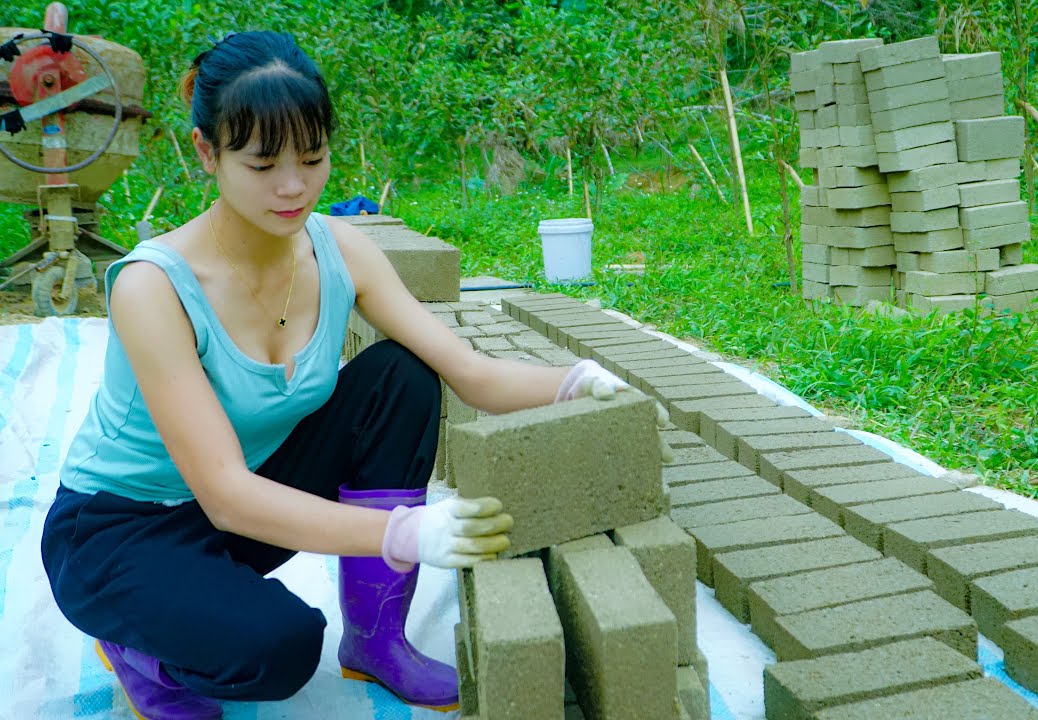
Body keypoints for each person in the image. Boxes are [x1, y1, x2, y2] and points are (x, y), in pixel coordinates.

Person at [40, 31, 657, 720]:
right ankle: (144, 653)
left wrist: (576, 382)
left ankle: (376, 640)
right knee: (279, 648)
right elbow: (225, 496)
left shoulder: (340, 251)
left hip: (243, 500)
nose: (294, 186)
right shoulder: (153, 287)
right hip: (121, 530)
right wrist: (403, 531)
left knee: (402, 375)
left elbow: (471, 372)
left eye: (313, 157)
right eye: (263, 162)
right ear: (206, 153)